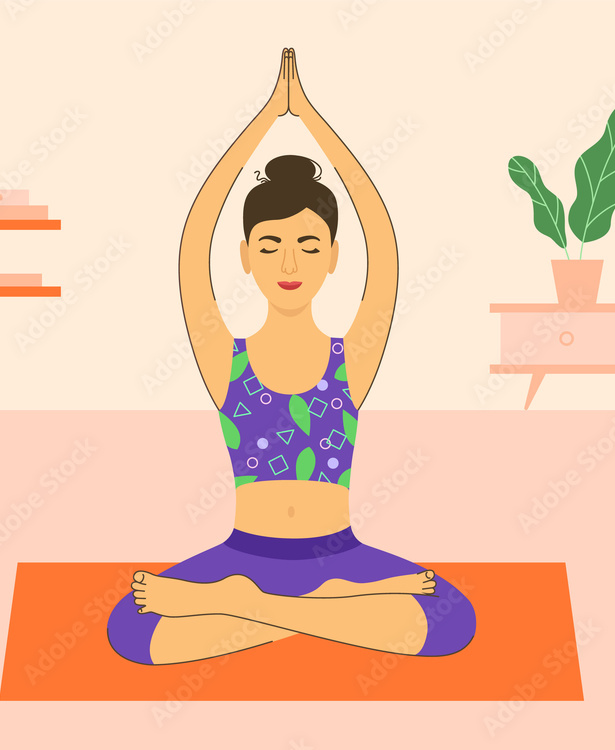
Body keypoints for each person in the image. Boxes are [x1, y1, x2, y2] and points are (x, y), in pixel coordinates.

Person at [107, 48, 475, 665]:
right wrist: (266, 120)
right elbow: (194, 243)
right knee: (134, 631)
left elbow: (381, 248)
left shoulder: (349, 359)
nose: (288, 264)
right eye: (271, 245)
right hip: (244, 553)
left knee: (449, 620)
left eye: (308, 245)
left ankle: (250, 607)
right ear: (246, 254)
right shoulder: (227, 356)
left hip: (339, 556)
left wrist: (310, 119)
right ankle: (326, 610)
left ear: (333, 255)